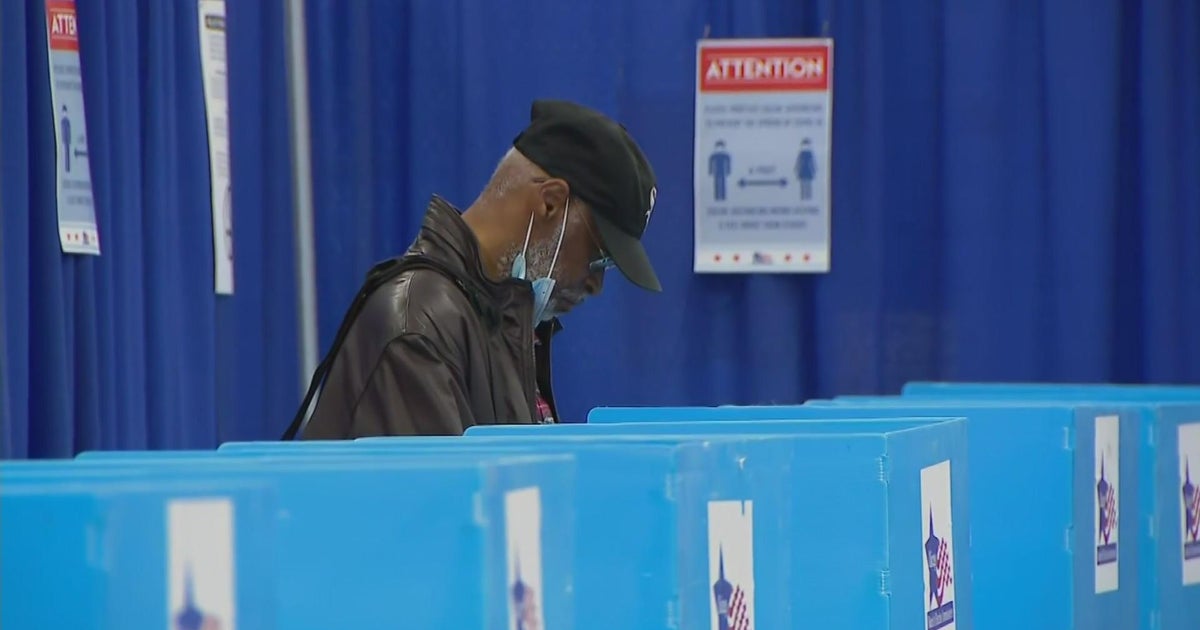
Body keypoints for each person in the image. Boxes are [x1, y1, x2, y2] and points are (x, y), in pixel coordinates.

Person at [285, 99, 660, 439]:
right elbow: (444, 493)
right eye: (599, 256)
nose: (596, 284)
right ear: (550, 202)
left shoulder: (504, 324)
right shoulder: (419, 326)